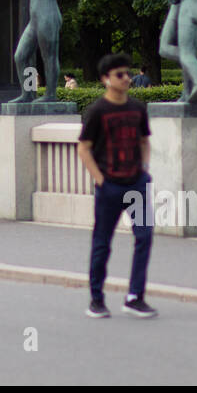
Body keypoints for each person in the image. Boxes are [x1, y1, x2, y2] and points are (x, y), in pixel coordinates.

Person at [78, 53, 157, 319]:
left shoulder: (137, 108)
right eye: (120, 75)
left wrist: (144, 171)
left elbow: (145, 141)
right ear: (105, 79)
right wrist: (100, 180)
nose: (127, 78)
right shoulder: (97, 111)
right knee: (103, 242)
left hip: (137, 184)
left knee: (144, 237)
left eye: (127, 73)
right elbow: (84, 148)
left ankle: (135, 296)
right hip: (109, 186)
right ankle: (96, 299)